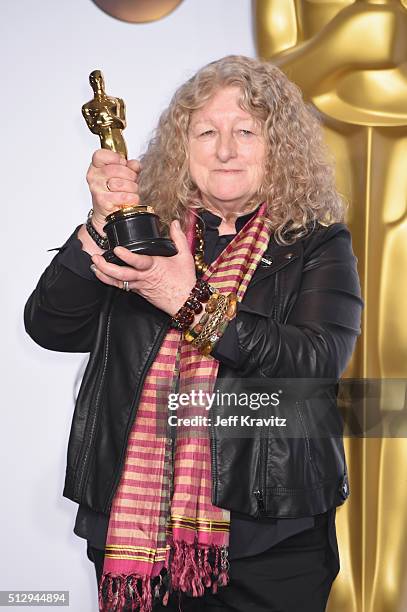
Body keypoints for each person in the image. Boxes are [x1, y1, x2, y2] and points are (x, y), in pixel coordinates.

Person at [24, 55, 363, 611]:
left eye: (246, 131)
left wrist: (184, 300)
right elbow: (51, 326)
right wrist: (100, 224)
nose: (225, 149)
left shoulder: (316, 243)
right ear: (182, 146)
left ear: (278, 147)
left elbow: (316, 359)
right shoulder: (142, 233)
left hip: (271, 534)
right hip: (134, 532)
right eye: (207, 131)